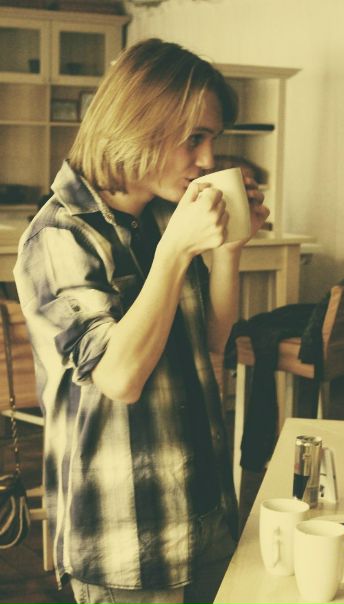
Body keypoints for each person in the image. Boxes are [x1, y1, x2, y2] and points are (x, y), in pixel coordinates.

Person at [14, 38, 269, 604]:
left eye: (213, 139)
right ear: (138, 125)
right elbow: (120, 377)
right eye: (194, 138)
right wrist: (177, 250)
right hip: (125, 539)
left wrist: (230, 248)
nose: (208, 160)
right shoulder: (59, 235)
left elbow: (212, 340)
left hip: (202, 509)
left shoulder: (161, 216)